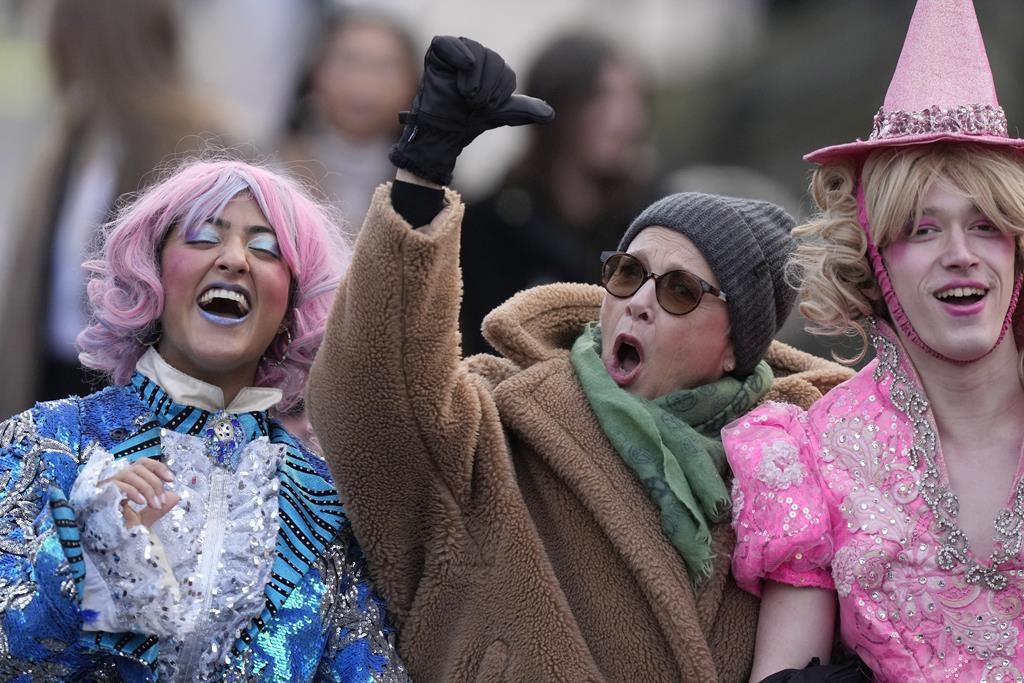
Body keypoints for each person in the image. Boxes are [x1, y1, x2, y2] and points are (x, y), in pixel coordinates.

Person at [307, 36, 851, 682]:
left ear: (737, 342)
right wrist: (421, 177)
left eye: (679, 290)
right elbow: (370, 407)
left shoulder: (801, 469)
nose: (640, 301)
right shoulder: (502, 429)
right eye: (627, 273)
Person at [0, 159, 407, 681]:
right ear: (153, 274)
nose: (234, 259)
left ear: (291, 305)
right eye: (202, 238)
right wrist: (91, 547)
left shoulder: (324, 503)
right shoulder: (47, 444)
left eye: (266, 248)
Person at [724, 1, 1024, 681]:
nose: (960, 254)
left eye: (986, 224)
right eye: (922, 228)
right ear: (875, 259)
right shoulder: (812, 454)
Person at [0, 0, 236, 418]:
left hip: (137, 394)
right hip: (50, 374)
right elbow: (35, 279)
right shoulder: (78, 131)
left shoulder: (196, 145)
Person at [459, 31, 660, 355]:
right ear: (557, 101)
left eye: (634, 98)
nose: (626, 117)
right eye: (599, 96)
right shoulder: (490, 225)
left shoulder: (655, 222)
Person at [277, 6, 419, 236]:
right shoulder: (274, 171)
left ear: (413, 84)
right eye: (349, 62)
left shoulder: (429, 195)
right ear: (316, 72)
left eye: (385, 68)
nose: (364, 82)